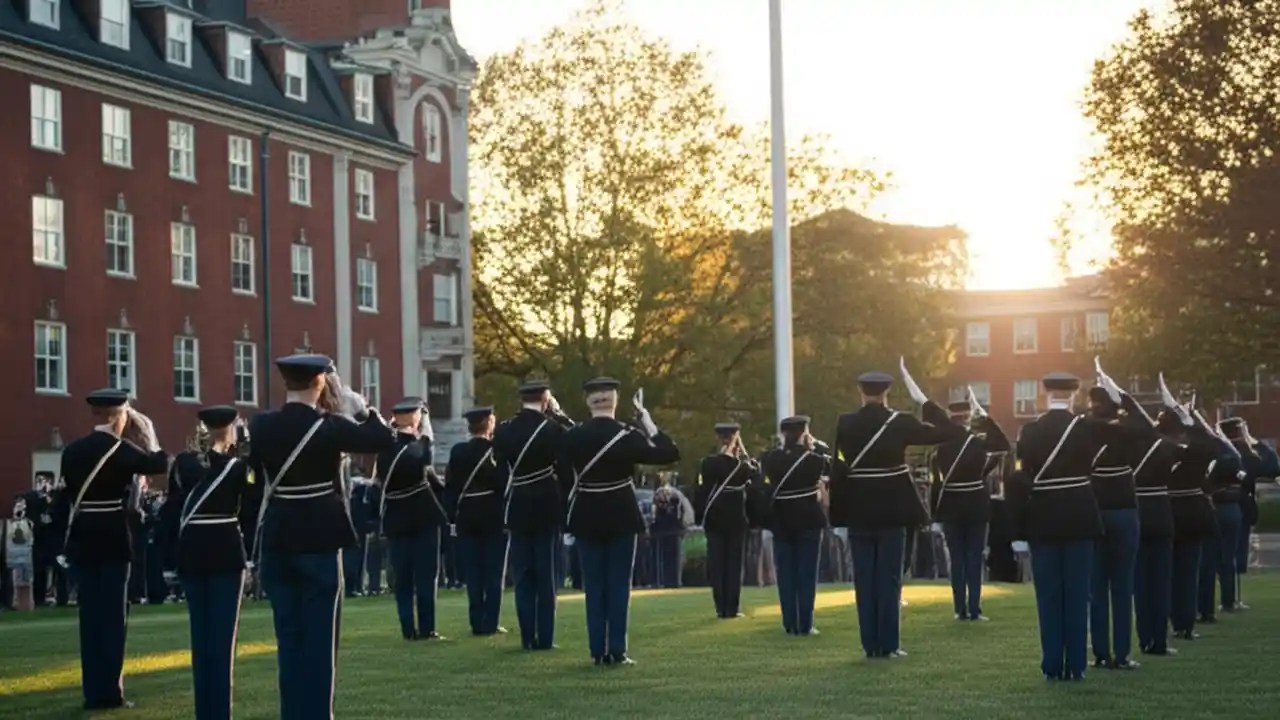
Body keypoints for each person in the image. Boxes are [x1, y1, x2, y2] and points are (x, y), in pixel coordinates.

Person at [248, 355, 394, 718]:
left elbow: (252, 484)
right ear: (320, 383)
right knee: (320, 640)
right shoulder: (329, 426)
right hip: (318, 535)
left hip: (279, 535)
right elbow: (383, 437)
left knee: (288, 638)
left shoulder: (261, 425)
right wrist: (362, 408)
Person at [829, 365, 965, 658]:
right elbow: (950, 432)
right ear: (887, 393)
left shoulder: (846, 422)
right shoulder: (899, 422)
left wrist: (838, 512)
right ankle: (888, 644)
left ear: (861, 393)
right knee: (889, 578)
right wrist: (925, 404)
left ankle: (870, 644)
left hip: (859, 509)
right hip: (893, 509)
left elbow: (837, 468)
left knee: (864, 580)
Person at [58, 388, 169, 710]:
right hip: (112, 538)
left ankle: (92, 692)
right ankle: (111, 692)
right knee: (113, 619)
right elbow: (158, 462)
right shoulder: (121, 451)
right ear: (120, 415)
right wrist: (147, 432)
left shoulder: (72, 451)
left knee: (89, 619)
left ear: (95, 414)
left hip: (83, 538)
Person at [1007, 372, 1120, 681]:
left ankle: (1052, 664)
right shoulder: (1088, 428)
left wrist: (1017, 533)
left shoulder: (1029, 431)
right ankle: (1077, 666)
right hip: (1080, 518)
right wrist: (1118, 397)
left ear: (1045, 395)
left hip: (1043, 519)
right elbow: (1137, 431)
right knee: (1078, 594)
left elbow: (1020, 481)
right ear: (1074, 396)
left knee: (1049, 597)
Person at [559, 379, 679, 666]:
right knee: (618, 585)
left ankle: (597, 649)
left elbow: (563, 478)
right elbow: (669, 453)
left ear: (590, 402)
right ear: (614, 401)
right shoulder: (627, 434)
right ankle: (617, 648)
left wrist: (569, 513)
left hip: (587, 515)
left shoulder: (575, 436)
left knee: (594, 585)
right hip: (622, 515)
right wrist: (647, 422)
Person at [174, 406, 255, 719]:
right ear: (231, 429)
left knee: (200, 637)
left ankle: (203, 711)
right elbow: (249, 506)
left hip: (192, 551)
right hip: (225, 552)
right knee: (222, 640)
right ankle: (219, 711)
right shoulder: (237, 467)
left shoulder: (184, 463)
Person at [492, 381, 575, 651]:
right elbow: (566, 471)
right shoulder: (554, 430)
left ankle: (527, 637)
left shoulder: (504, 430)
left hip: (518, 506)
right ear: (545, 400)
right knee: (546, 575)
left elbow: (500, 472)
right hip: (546, 505)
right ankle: (546, 638)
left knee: (524, 576)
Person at [1083, 367, 1147, 671]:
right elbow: (1148, 428)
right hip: (1123, 510)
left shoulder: (1083, 428)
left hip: (1094, 511)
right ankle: (1122, 654)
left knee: (1097, 588)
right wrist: (1124, 397)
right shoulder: (1126, 430)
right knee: (1123, 587)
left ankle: (1100, 653)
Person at [928, 391, 1009, 622]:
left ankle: (959, 609)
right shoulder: (976, 443)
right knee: (974, 558)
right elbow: (1003, 445)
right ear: (967, 417)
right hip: (976, 504)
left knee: (957, 559)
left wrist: (935, 514)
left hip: (951, 505)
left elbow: (937, 484)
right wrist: (987, 418)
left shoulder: (941, 447)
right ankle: (974, 608)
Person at [1115, 391, 1180, 657]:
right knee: (1161, 581)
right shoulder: (1168, 447)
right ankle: (1160, 641)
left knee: (1140, 582)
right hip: (1161, 512)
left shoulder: (1125, 447)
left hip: (1137, 511)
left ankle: (1145, 639)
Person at [376, 398, 447, 641]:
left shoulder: (385, 451)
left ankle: (408, 628)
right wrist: (424, 425)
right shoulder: (418, 446)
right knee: (427, 575)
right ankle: (427, 628)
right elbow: (426, 457)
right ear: (414, 417)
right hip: (423, 515)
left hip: (396, 518)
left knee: (403, 578)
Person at [756, 415, 830, 637]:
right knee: (806, 575)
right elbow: (831, 462)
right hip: (808, 519)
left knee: (786, 574)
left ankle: (789, 622)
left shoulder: (770, 458)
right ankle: (805, 623)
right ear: (804, 433)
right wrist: (813, 444)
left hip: (781, 520)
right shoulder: (814, 459)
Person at [446, 406, 508, 636]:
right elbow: (503, 483)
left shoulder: (458, 451)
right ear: (489, 423)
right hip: (492, 514)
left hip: (467, 516)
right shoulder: (495, 452)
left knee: (473, 573)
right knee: (493, 572)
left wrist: (452, 515)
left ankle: (475, 620)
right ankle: (490, 622)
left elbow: (451, 487)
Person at [1162, 396, 1220, 642]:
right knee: (1187, 573)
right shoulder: (1195, 449)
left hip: (1165, 511)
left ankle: (1167, 620)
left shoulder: (1158, 448)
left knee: (1166, 573)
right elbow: (1211, 445)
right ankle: (1184, 624)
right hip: (1191, 512)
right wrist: (1191, 420)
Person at [695, 423, 758, 619]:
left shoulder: (714, 463)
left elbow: (755, 473)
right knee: (728, 565)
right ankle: (728, 607)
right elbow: (750, 473)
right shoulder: (727, 464)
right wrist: (735, 451)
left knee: (723, 566)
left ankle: (725, 607)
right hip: (729, 520)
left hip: (722, 520)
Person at [1228, 419, 1279, 609]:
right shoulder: (1248, 454)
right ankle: (1233, 598)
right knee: (1238, 549)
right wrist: (1255, 441)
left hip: (1219, 504)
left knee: (1225, 553)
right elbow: (1272, 468)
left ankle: (1227, 597)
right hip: (1242, 503)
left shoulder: (1221, 451)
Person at [1197, 413, 1244, 622]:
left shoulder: (1208, 453)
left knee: (1208, 560)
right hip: (1232, 508)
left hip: (1214, 507)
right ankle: (1228, 600)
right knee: (1228, 558)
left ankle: (1206, 609)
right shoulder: (1235, 455)